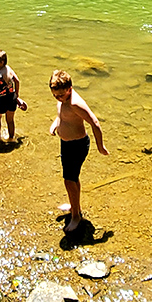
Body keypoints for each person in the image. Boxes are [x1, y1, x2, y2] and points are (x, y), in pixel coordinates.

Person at [49, 69, 108, 234]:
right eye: (55, 96)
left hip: (77, 145)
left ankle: (76, 216)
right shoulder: (64, 99)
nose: (58, 98)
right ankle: (74, 206)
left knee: (69, 180)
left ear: (70, 89)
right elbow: (62, 114)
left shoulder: (75, 103)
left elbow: (94, 122)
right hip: (66, 144)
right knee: (72, 179)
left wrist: (100, 146)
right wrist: (56, 124)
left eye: (61, 95)